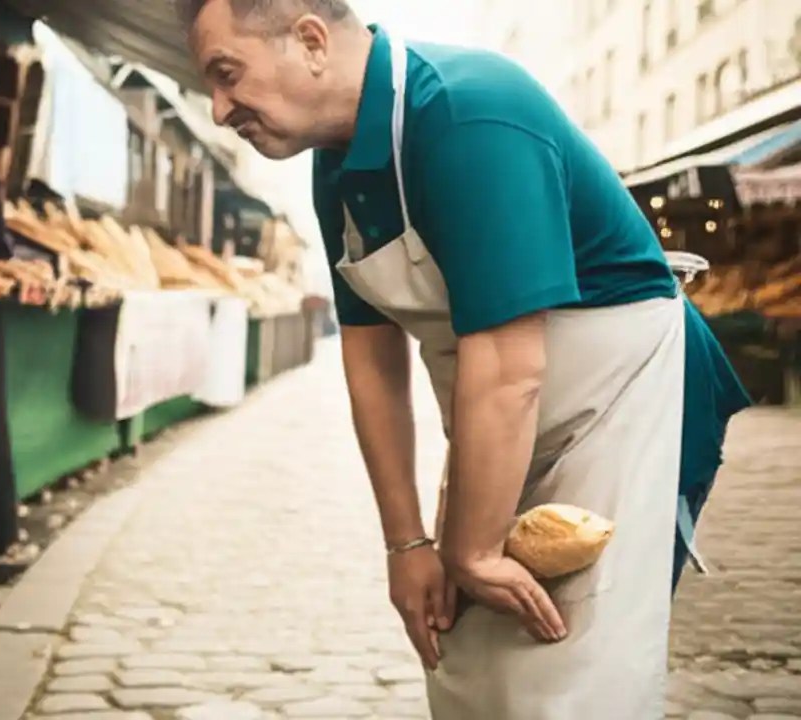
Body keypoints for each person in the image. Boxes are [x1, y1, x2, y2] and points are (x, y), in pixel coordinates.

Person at [177, 1, 751, 718]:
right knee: (467, 661)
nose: (218, 109)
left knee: (570, 675)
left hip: (621, 407)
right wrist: (407, 545)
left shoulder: (468, 113)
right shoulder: (336, 165)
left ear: (312, 40)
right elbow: (371, 359)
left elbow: (509, 365)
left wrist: (471, 550)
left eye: (227, 74)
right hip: (500, 418)